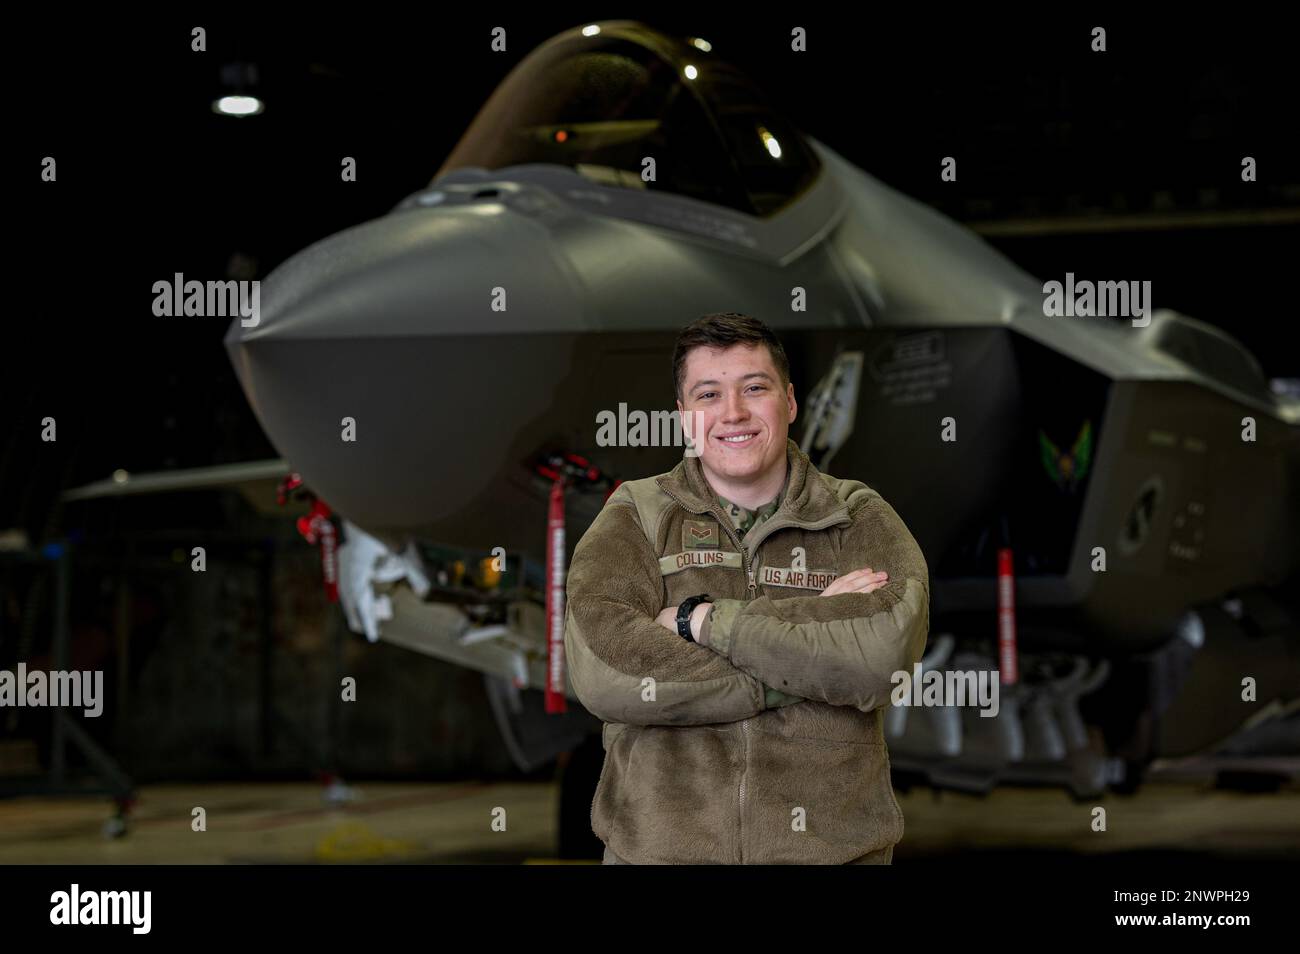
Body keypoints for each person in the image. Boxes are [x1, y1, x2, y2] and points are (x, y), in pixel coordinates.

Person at [564, 312, 929, 864]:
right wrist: (806, 662)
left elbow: (882, 657)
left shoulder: (855, 514)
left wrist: (699, 622)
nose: (733, 412)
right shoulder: (636, 514)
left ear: (790, 401)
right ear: (684, 417)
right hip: (660, 854)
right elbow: (606, 672)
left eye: (754, 388)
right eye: (708, 394)